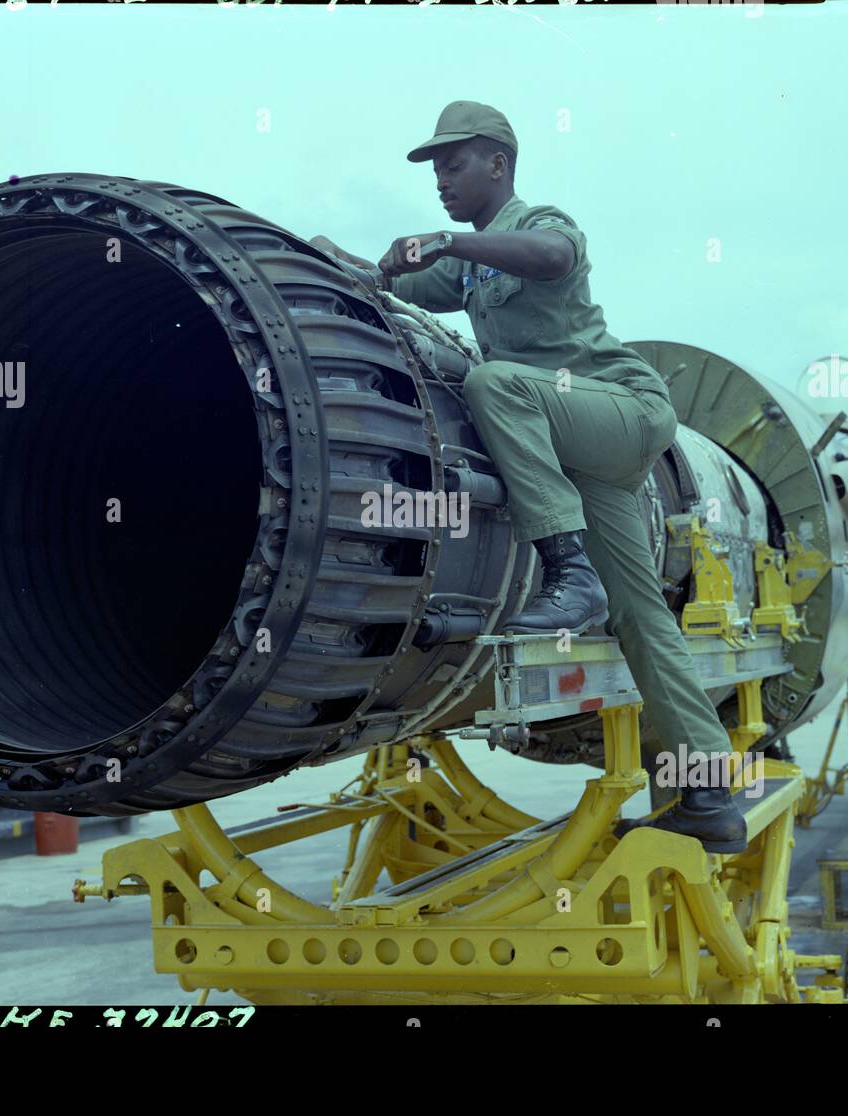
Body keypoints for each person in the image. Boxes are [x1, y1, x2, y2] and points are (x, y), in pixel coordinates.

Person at [310, 101, 746, 852]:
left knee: (493, 383)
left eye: (454, 164)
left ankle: (568, 572)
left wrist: (448, 241)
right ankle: (707, 795)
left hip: (623, 411)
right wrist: (325, 255)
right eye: (435, 170)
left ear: (498, 163)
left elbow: (552, 258)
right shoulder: (466, 269)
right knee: (643, 621)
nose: (442, 180)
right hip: (581, 456)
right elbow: (385, 287)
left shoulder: (539, 223)